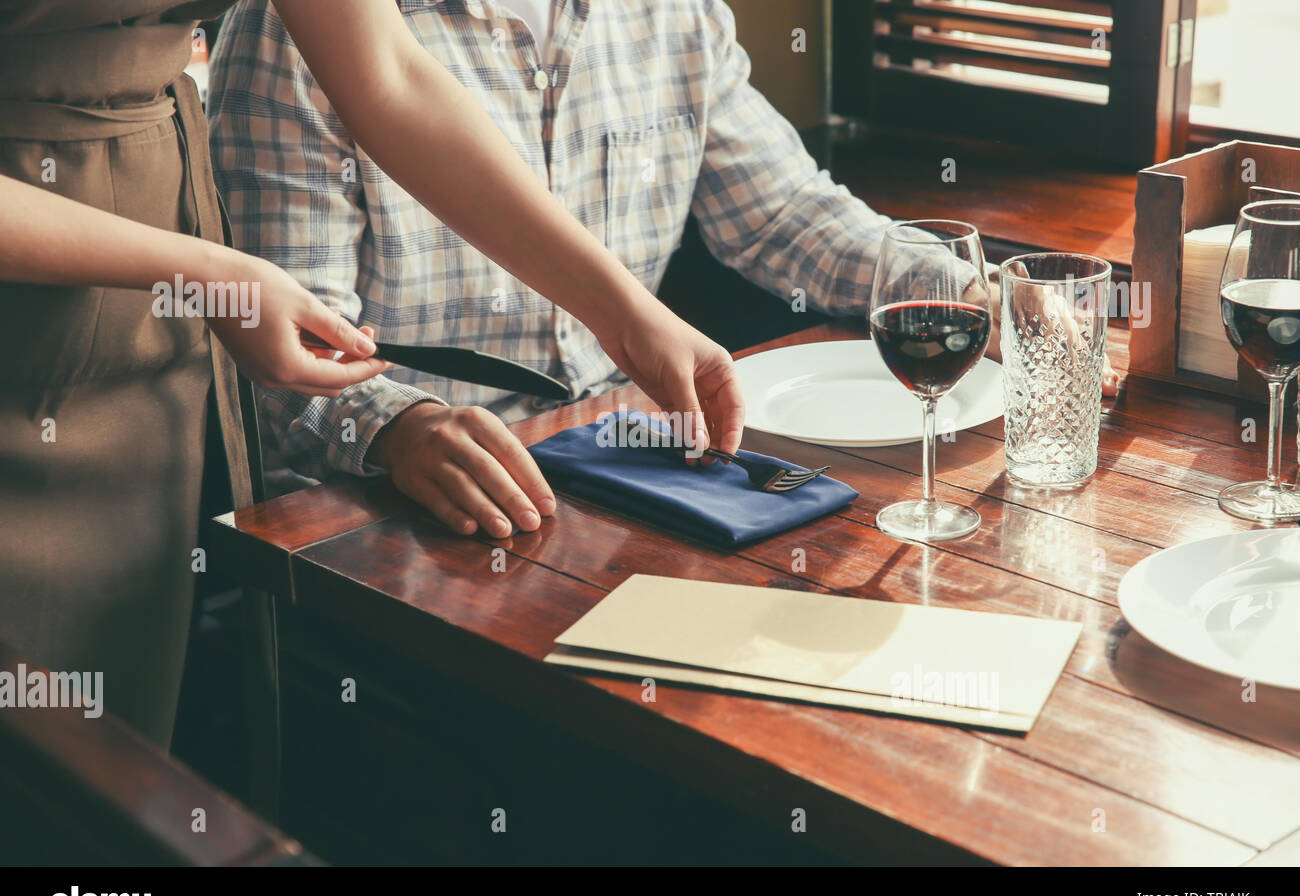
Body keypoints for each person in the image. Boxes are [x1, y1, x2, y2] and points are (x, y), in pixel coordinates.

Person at [0, 0, 742, 748]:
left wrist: (623, 315)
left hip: (149, 285)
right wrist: (202, 271)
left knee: (99, 757)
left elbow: (391, 76)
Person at [209, 0, 1121, 542]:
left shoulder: (673, 12)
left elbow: (783, 214)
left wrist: (973, 291)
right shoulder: (294, 33)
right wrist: (401, 427)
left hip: (638, 475)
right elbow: (285, 359)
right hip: (405, 518)